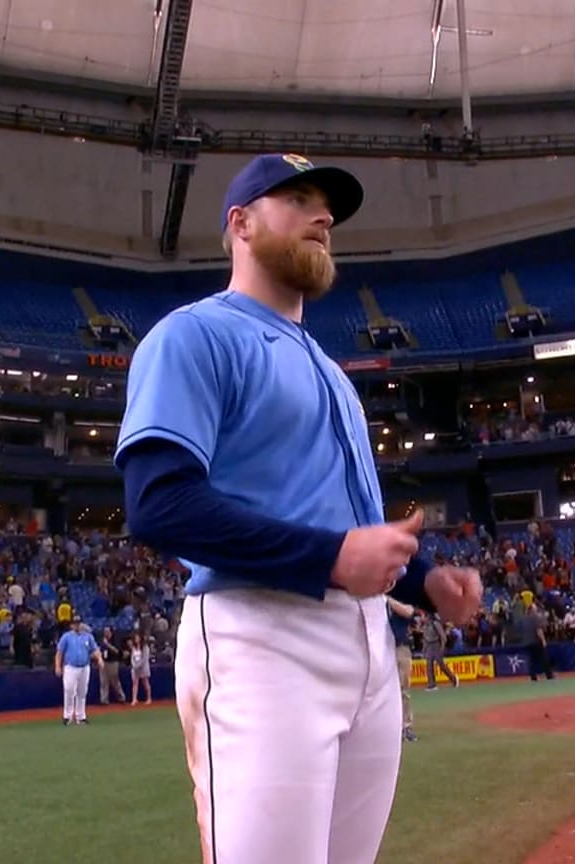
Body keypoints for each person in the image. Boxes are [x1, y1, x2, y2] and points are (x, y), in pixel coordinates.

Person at [115, 152, 482, 864]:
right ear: (241, 223)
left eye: (329, 210)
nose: (324, 217)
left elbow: (340, 528)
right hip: (262, 640)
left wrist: (424, 582)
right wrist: (332, 558)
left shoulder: (330, 371)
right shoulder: (195, 334)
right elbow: (158, 505)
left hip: (369, 648)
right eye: (300, 199)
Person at [55, 617, 101, 725]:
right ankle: (67, 715)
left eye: (78, 623)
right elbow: (59, 652)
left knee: (82, 692)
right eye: (75, 623)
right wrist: (57, 666)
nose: (77, 625)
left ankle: (81, 716)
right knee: (69, 690)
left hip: (84, 667)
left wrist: (99, 659)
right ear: (71, 625)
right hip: (70, 666)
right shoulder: (66, 637)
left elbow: (95, 649)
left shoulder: (87, 636)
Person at [385, 598, 418, 742]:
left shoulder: (398, 597)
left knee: (403, 689)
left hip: (400, 648)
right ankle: (388, 727)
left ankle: (406, 726)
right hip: (381, 648)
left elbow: (408, 611)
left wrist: (386, 598)